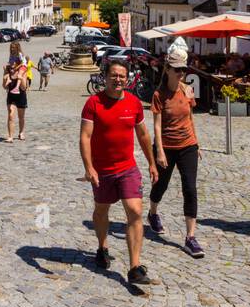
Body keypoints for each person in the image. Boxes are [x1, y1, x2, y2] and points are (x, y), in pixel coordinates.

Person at [80, 59, 158, 286]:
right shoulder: (94, 103)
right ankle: (102, 246)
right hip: (102, 170)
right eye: (113, 75)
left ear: (128, 78)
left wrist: (152, 163)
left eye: (122, 76)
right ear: (105, 78)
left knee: (135, 211)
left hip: (127, 168)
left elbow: (143, 136)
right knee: (101, 211)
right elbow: (85, 136)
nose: (118, 79)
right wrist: (89, 167)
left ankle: (134, 267)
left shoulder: (133, 103)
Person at [148, 42, 204, 258]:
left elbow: (190, 119)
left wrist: (196, 143)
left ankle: (190, 237)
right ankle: (153, 212)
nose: (181, 73)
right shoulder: (159, 95)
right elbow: (157, 125)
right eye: (178, 69)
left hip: (187, 146)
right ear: (168, 70)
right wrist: (159, 152)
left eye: (184, 69)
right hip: (167, 147)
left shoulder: (188, 90)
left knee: (190, 188)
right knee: (160, 184)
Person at [3, 41, 29, 141]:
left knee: (21, 116)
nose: (12, 63)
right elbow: (4, 86)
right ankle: (10, 136)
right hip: (11, 95)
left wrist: (20, 76)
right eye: (11, 47)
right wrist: (6, 76)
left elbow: (24, 88)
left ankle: (21, 132)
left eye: (14, 47)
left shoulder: (21, 58)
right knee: (10, 114)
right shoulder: (10, 64)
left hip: (21, 94)